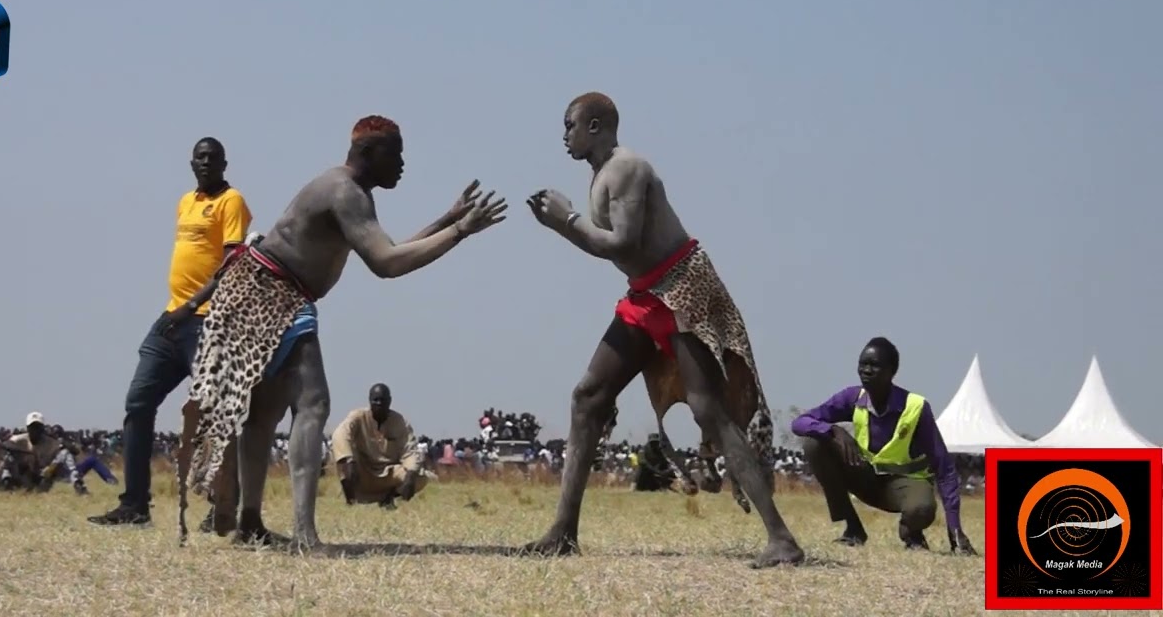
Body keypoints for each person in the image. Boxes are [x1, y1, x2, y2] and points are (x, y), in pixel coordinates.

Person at [177, 115, 507, 550]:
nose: (403, 164)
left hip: (263, 291)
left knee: (264, 415)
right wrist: (461, 232)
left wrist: (449, 219)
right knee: (312, 402)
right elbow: (387, 264)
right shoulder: (346, 193)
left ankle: (250, 522)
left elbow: (388, 247)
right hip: (276, 293)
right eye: (397, 153)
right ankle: (303, 534)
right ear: (370, 153)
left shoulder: (347, 191)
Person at [524, 92, 803, 567]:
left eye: (569, 125)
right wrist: (564, 222)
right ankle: (562, 531)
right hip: (646, 294)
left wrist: (565, 221)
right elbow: (625, 253)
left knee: (709, 410)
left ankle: (782, 539)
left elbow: (622, 242)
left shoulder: (627, 168)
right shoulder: (602, 173)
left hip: (682, 287)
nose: (564, 135)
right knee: (588, 396)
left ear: (595, 126)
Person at [90, 137, 252, 526]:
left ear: (225, 163)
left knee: (213, 416)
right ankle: (134, 505)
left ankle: (223, 507)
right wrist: (179, 311)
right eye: (200, 157)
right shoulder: (185, 202)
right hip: (172, 319)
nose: (207, 163)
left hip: (208, 321)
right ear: (191, 163)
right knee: (138, 404)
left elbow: (231, 268)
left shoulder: (232, 202)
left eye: (213, 158)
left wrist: (193, 306)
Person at [790, 337, 977, 555]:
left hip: (904, 483)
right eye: (863, 364)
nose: (866, 370)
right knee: (814, 443)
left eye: (874, 365)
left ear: (891, 371)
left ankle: (911, 532)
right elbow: (799, 423)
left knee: (922, 509)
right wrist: (833, 430)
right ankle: (853, 528)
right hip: (865, 477)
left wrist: (955, 530)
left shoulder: (916, 407)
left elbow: (944, 468)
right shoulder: (852, 398)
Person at [331, 383, 432, 509]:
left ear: (390, 401)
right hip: (362, 472)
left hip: (387, 474)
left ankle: (387, 498)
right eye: (375, 400)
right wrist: (349, 459)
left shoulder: (399, 422)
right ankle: (351, 501)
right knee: (344, 464)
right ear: (369, 401)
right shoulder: (357, 417)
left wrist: (410, 475)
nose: (379, 403)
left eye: (382, 400)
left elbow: (409, 451)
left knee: (421, 477)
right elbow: (339, 434)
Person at [0, 413, 85, 494]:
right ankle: (3, 483)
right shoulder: (20, 439)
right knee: (10, 456)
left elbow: (74, 452)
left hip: (43, 477)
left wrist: (66, 445)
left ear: (42, 428)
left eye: (38, 427)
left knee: (65, 453)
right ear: (27, 428)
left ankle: (77, 484)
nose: (35, 430)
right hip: (25, 474)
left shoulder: (51, 442)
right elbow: (5, 444)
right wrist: (28, 454)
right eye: (32, 427)